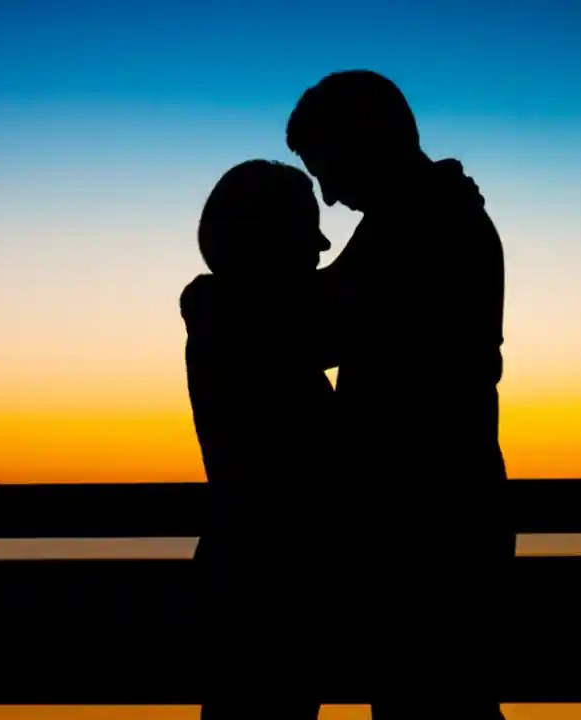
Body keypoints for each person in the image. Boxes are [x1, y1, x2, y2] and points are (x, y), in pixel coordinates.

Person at [286, 70, 512, 718]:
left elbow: (320, 327)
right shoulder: (425, 212)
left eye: (325, 167)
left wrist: (220, 296)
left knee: (429, 703)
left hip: (430, 521)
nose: (327, 197)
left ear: (364, 141)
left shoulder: (418, 221)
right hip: (444, 511)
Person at [181, 159, 337, 720]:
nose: (321, 243)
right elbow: (362, 302)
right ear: (264, 238)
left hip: (251, 572)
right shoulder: (244, 318)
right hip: (269, 582)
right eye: (305, 227)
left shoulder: (228, 313)